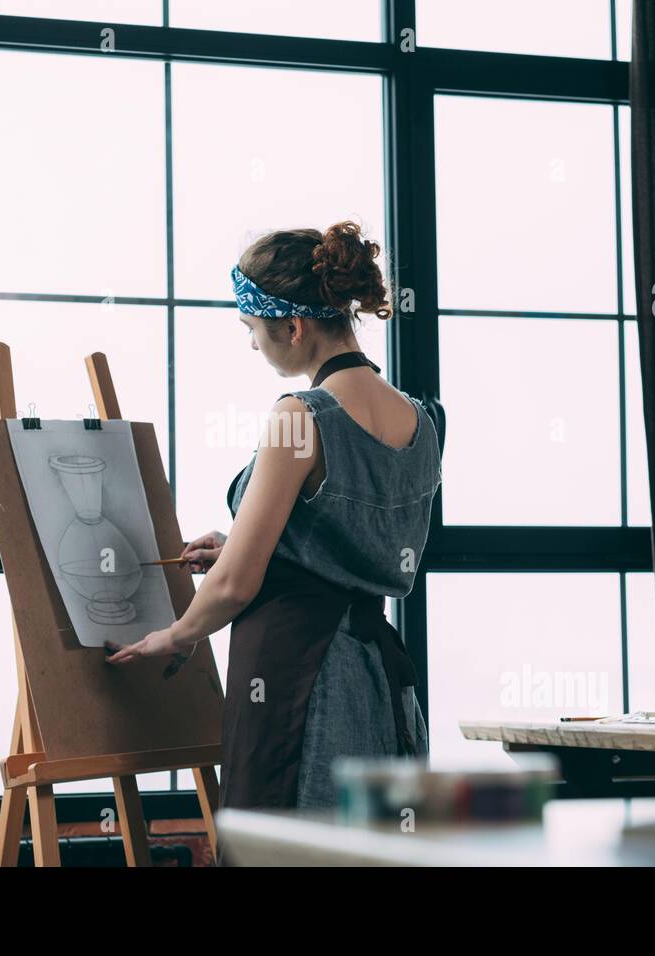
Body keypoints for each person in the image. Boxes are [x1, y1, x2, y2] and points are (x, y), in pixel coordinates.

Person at [106, 220, 442, 812]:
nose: (253, 344)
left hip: (296, 677)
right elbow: (349, 542)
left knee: (286, 844)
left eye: (253, 328)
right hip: (380, 678)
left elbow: (236, 584)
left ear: (293, 326)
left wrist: (175, 635)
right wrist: (250, 542)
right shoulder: (424, 421)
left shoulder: (299, 416)